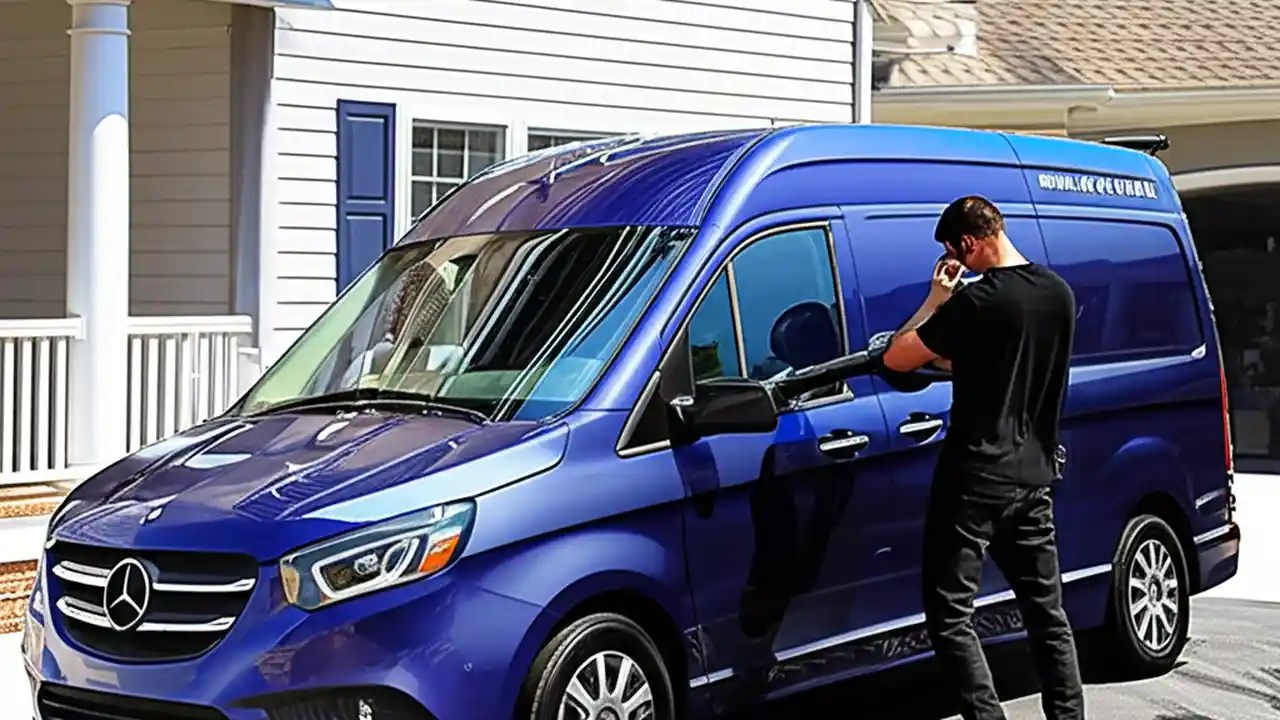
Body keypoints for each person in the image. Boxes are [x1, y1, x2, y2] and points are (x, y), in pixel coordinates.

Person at [879, 195, 1085, 720]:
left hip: (974, 479)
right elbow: (1003, 362)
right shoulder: (1058, 294)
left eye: (955, 250)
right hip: (1035, 477)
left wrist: (935, 299)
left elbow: (898, 356)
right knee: (1048, 617)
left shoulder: (977, 303)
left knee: (950, 614)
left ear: (969, 243)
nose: (956, 260)